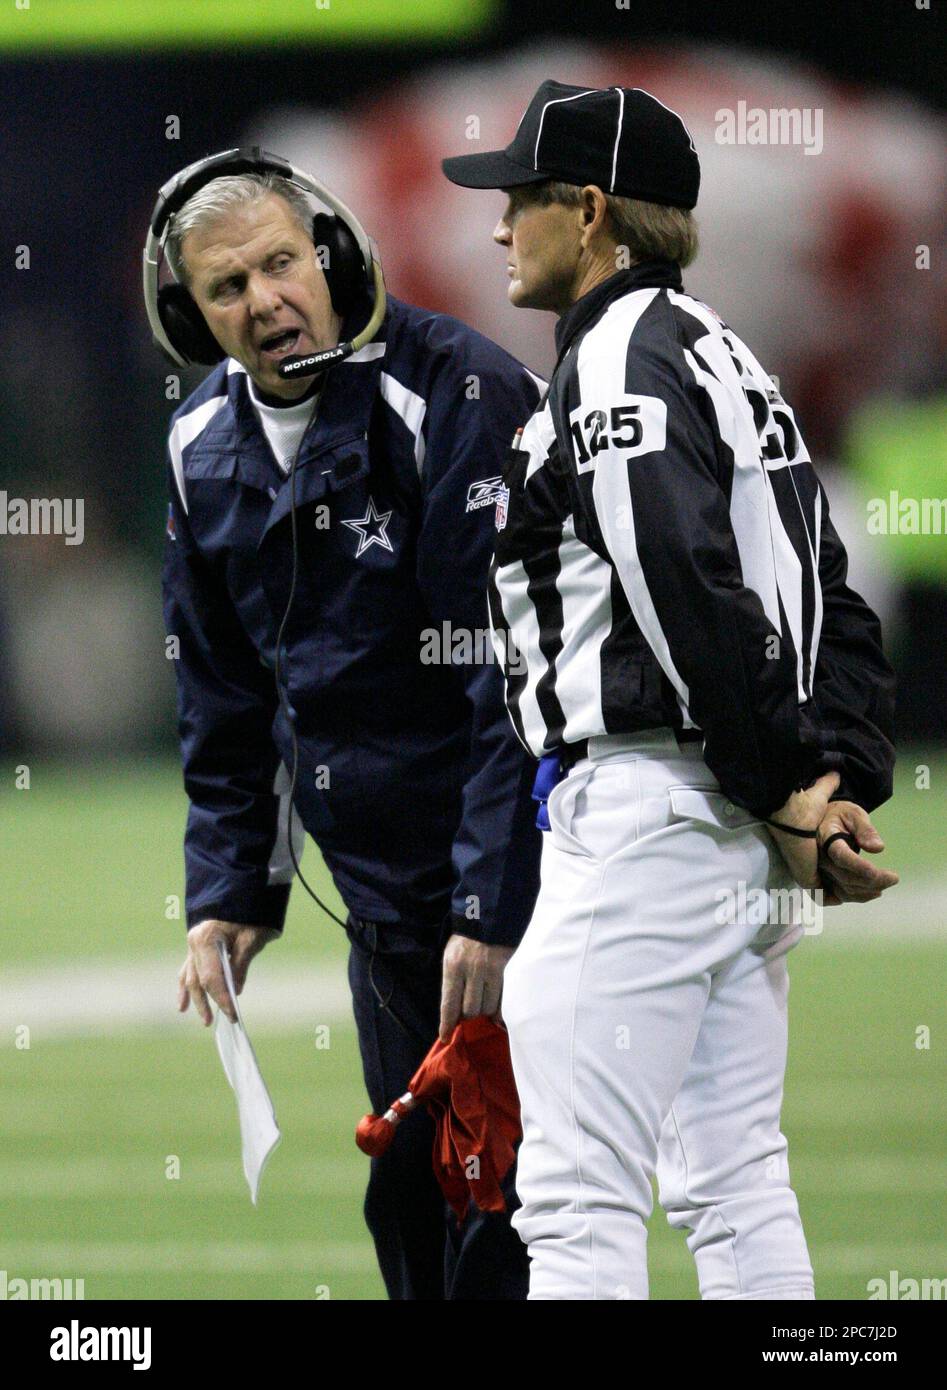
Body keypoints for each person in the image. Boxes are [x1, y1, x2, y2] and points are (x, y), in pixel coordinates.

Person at [442, 81, 899, 1300]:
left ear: (588, 210)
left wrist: (788, 791)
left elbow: (679, 583)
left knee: (576, 1195)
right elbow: (826, 595)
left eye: (520, 200)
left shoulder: (614, 358)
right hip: (730, 827)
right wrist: (829, 781)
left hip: (651, 813)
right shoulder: (723, 353)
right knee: (734, 1179)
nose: (497, 227)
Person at [148, 149, 543, 1300]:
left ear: (327, 254)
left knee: (527, 1205)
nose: (265, 299)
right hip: (379, 900)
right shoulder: (197, 445)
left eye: (280, 262)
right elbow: (222, 691)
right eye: (227, 286)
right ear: (191, 312)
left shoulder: (454, 391)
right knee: (415, 1207)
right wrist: (229, 887)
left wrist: (491, 900)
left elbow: (508, 676)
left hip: (529, 882)